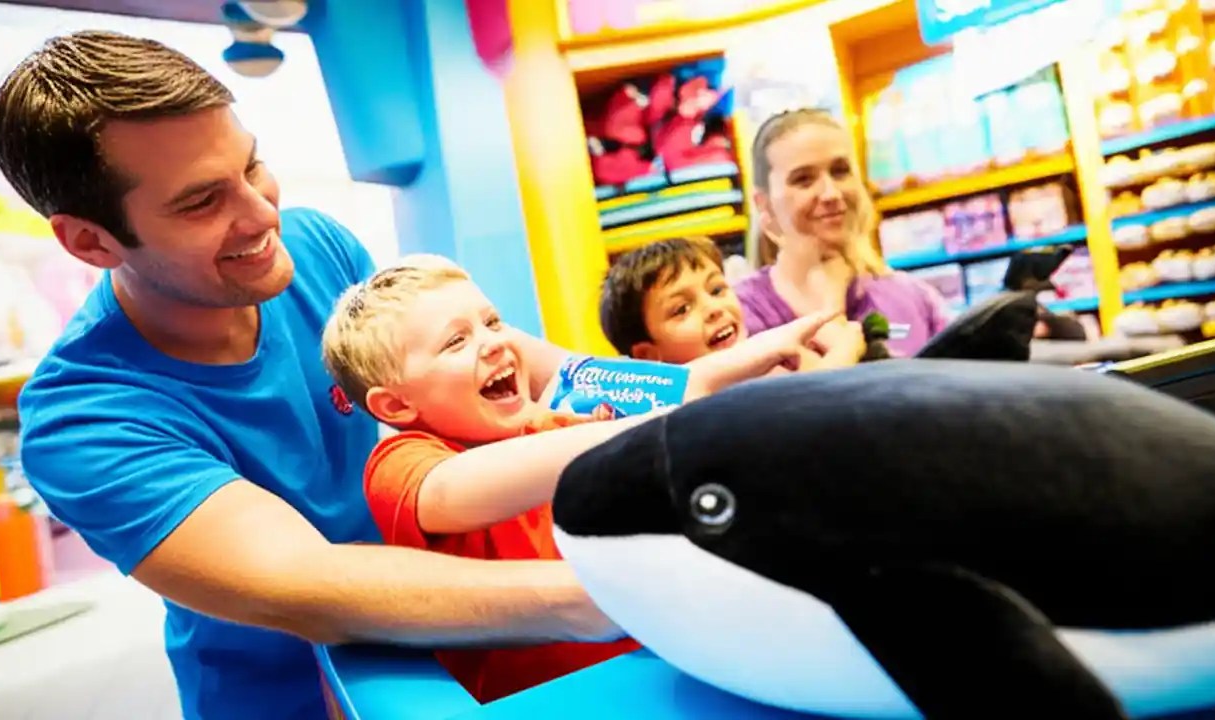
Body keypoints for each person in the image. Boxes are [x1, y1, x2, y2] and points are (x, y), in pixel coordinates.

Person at [0, 31, 833, 720]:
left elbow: (544, 366)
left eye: (251, 166)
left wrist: (685, 391)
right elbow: (307, 583)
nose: (260, 215)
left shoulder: (312, 246)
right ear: (91, 242)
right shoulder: (85, 419)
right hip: (302, 696)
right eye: (200, 202)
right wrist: (623, 587)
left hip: (479, 651)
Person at [319, 261, 655, 702]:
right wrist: (632, 433)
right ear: (397, 405)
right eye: (457, 341)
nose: (495, 343)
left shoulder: (551, 427)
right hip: (549, 702)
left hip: (648, 667)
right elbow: (453, 491)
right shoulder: (401, 460)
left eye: (493, 322)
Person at [735, 108, 953, 357]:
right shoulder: (735, 315)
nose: (831, 193)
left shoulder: (915, 298)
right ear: (764, 204)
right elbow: (681, 388)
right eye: (803, 179)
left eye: (840, 171)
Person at [601, 235, 866, 367]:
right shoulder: (707, 396)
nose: (713, 309)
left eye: (716, 290)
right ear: (649, 356)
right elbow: (815, 397)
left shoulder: (760, 358)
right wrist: (846, 349)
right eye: (682, 309)